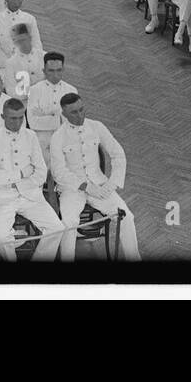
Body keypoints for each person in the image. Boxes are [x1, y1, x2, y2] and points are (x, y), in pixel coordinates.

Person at [49, 92, 140, 261]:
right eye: (74, 112)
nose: (80, 115)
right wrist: (85, 186)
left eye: (82, 109)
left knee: (127, 217)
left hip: (100, 185)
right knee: (69, 224)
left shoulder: (97, 126)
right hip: (72, 190)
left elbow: (118, 154)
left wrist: (112, 183)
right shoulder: (58, 137)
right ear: (64, 114)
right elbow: (58, 171)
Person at [0, 98, 65, 261]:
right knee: (2, 238)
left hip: (30, 195)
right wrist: (21, 173)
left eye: (21, 117)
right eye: (13, 118)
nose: (18, 122)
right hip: (1, 198)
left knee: (57, 228)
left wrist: (18, 183)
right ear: (3, 116)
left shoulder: (30, 136)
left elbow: (41, 173)